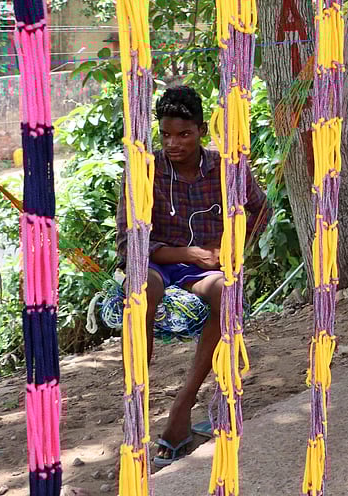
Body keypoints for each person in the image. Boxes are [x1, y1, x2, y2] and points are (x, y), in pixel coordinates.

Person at [115, 85, 269, 466]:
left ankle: (182, 408)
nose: (173, 143)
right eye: (166, 134)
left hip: (201, 273)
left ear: (201, 130)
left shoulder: (227, 168)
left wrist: (230, 248)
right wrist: (186, 252)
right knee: (142, 288)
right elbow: (127, 243)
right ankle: (137, 402)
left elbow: (261, 210)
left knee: (226, 290)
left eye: (183, 134)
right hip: (155, 263)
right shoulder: (144, 171)